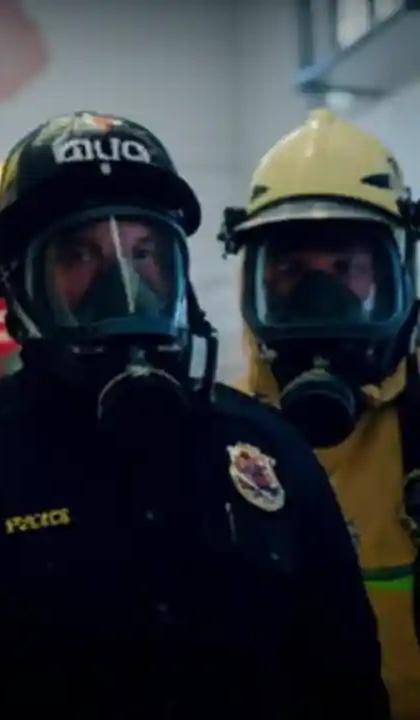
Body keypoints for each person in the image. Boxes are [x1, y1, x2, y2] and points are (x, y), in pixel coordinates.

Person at [0, 110, 389, 718]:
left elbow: (346, 681)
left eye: (144, 251)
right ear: (18, 281)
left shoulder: (268, 451)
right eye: (81, 254)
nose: (124, 281)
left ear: (175, 270)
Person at [219, 108, 420, 718]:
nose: (320, 298)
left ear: (394, 276)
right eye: (291, 271)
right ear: (253, 282)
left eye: (345, 270)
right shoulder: (210, 439)